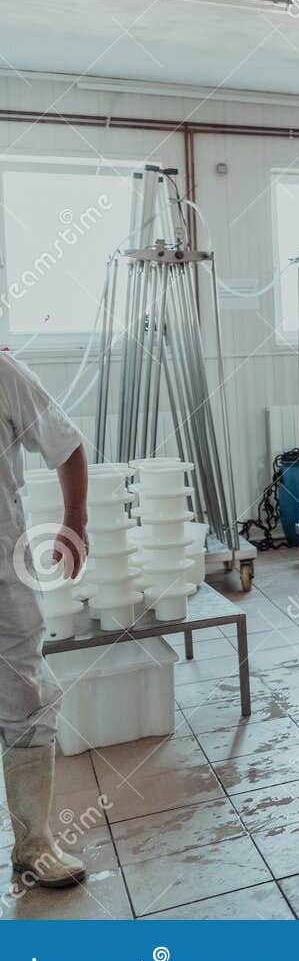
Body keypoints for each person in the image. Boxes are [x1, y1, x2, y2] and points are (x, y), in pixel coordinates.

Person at [0, 350, 88, 888]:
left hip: (4, 570)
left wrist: (74, 518)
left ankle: (33, 843)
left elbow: (65, 442)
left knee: (25, 696)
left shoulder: (3, 373)